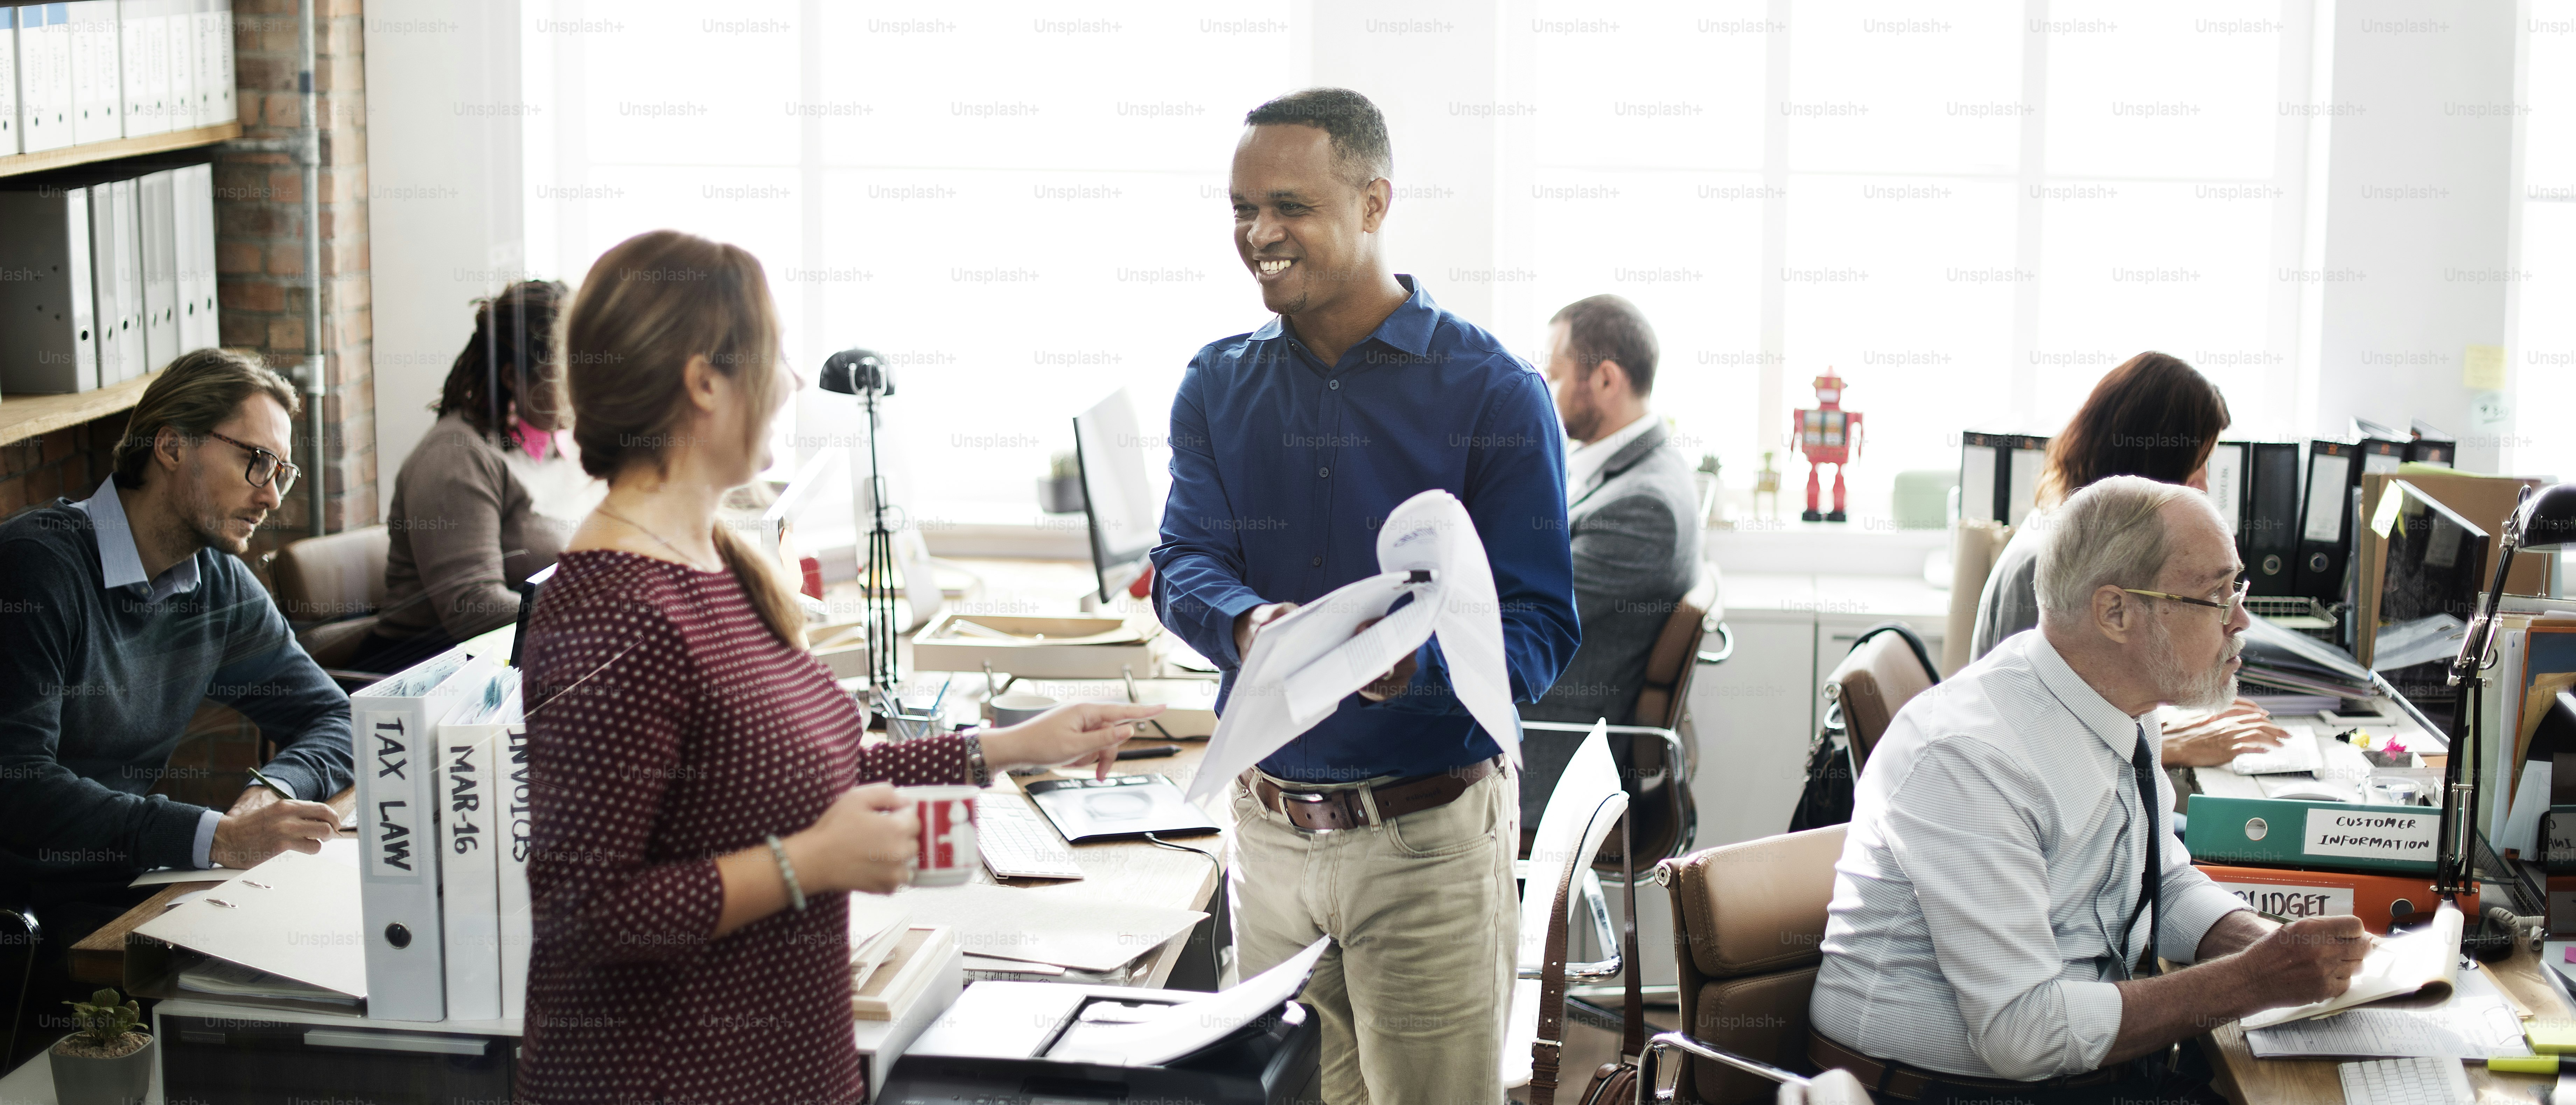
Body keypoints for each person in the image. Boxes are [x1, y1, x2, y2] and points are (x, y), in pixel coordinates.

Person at [515, 230, 1162, 1105]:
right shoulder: (614, 609)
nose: (790, 384)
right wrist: (807, 863)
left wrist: (1012, 748)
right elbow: (584, 913)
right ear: (704, 382)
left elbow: (809, 774)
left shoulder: (714, 561)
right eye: (775, 355)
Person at [1153, 89, 1581, 1105]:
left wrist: (1413, 668)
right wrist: (1248, 623)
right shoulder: (1215, 386)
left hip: (1424, 843)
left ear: (1374, 202)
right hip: (1268, 836)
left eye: (1289, 207)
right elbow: (1182, 562)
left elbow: (1539, 627)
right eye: (1243, 209)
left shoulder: (1495, 391)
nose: (1259, 234)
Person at [1808, 476, 2371, 1103]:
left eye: (2236, 588)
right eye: (2215, 595)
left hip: (2077, 1070)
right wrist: (2251, 982)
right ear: (2116, 613)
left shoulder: (2122, 699)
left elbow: (2163, 880)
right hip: (1939, 1092)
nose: (2241, 620)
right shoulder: (1972, 757)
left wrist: (2265, 943)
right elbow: (2023, 1034)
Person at [0, 349, 353, 1066]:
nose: (273, 496)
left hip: (132, 882)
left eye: (282, 472)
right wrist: (217, 838)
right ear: (171, 445)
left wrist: (271, 789)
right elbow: (18, 786)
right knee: (271, 1014)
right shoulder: (37, 566)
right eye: (257, 462)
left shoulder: (216, 582)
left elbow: (335, 718)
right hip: (33, 905)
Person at [1968, 351, 2282, 769]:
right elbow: (2025, 740)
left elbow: (2088, 702)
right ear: (2152, 462)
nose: (2203, 485)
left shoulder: (2082, 539)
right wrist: (2170, 747)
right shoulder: (2052, 561)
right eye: (2198, 464)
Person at [355, 279, 601, 674]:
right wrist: (596, 619)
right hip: (431, 676)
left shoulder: (558, 446)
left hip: (524, 662)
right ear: (513, 377)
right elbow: (473, 608)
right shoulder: (457, 457)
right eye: (566, 369)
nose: (584, 384)